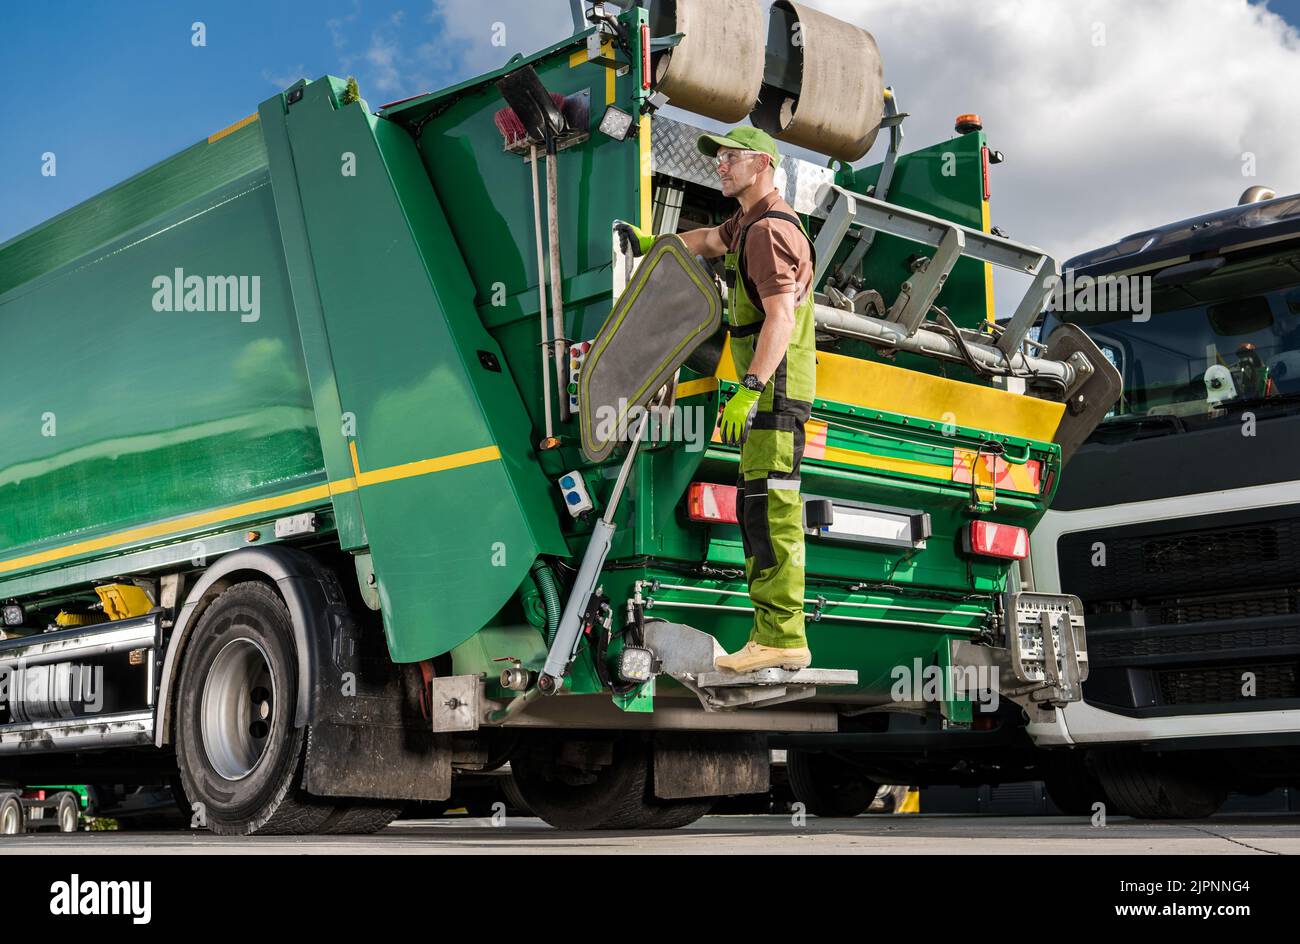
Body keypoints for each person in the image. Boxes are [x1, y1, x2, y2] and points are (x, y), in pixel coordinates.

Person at [616, 126, 816, 673]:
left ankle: (781, 636)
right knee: (758, 512)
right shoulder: (747, 223)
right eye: (719, 158)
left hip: (775, 391)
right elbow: (706, 241)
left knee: (770, 514)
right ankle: (774, 633)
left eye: (731, 158)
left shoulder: (770, 234)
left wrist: (748, 390)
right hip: (770, 390)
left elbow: (780, 318)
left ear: (764, 164)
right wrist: (655, 243)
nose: (720, 166)